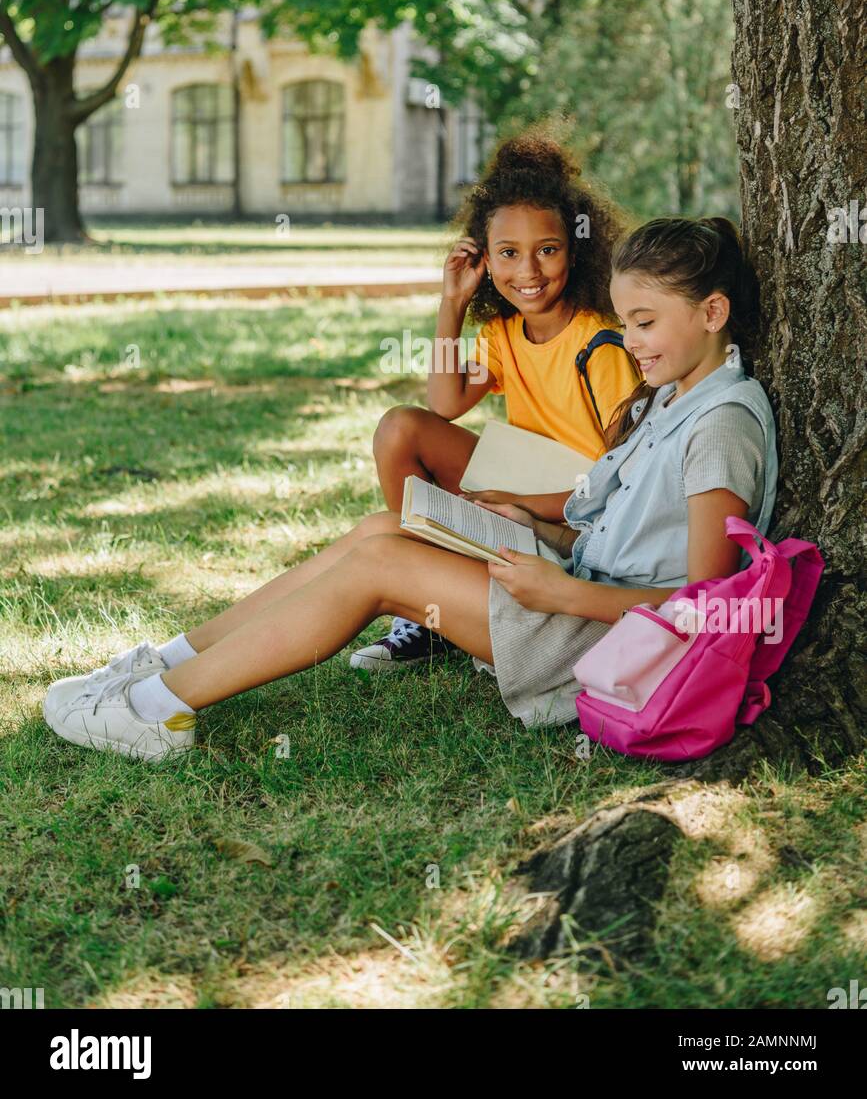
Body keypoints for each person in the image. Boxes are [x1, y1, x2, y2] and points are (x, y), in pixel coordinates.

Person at [42, 215, 777, 761]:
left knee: (380, 566)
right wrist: (530, 522)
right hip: (576, 587)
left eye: (644, 323)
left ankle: (155, 710)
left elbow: (708, 610)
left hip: (608, 641)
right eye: (626, 322)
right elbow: (626, 529)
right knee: (380, 530)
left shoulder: (719, 426)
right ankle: (166, 659)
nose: (631, 339)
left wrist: (564, 594)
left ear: (711, 314)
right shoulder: (677, 397)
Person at [352, 127, 640, 671]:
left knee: (422, 442)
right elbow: (444, 404)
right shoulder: (504, 334)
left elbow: (621, 480)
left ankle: (444, 592)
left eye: (547, 251)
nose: (528, 272)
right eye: (508, 253)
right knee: (400, 428)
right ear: (485, 258)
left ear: (575, 251)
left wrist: (523, 505)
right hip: (523, 487)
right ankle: (423, 609)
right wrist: (452, 303)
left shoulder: (599, 341)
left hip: (580, 515)